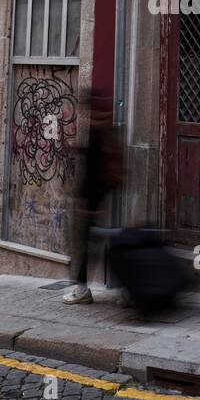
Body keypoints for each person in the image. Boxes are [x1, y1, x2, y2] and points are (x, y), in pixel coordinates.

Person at [63, 90, 122, 305]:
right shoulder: (106, 129)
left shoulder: (97, 132)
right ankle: (122, 289)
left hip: (92, 201)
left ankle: (82, 290)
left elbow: (94, 170)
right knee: (97, 246)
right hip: (99, 198)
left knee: (85, 248)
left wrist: (85, 203)